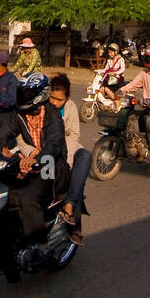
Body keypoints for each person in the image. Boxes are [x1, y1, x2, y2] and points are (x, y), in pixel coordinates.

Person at [0, 74, 65, 281]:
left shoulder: (53, 115)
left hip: (50, 167)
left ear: (40, 95)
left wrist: (40, 158)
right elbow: (1, 136)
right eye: (22, 92)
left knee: (28, 200)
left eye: (27, 93)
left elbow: (54, 143)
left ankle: (42, 246)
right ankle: (8, 254)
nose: (23, 96)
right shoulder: (19, 115)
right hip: (28, 164)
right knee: (2, 197)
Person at [107, 46, 150, 159]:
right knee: (130, 117)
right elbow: (134, 84)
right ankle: (137, 143)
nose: (149, 61)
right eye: (147, 58)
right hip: (146, 104)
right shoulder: (144, 73)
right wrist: (122, 90)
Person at [47, 75, 88, 245]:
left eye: (59, 99)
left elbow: (74, 136)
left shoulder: (70, 107)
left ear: (67, 98)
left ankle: (71, 209)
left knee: (84, 157)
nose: (55, 102)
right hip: (47, 150)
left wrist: (67, 159)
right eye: (52, 98)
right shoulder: (42, 107)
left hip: (67, 148)